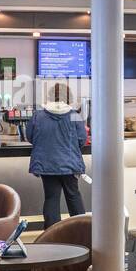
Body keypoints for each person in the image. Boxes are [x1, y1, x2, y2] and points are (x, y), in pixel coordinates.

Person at [28, 83, 88, 227]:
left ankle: (51, 236)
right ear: (68, 97)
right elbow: (82, 139)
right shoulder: (74, 115)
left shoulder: (39, 116)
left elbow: (30, 136)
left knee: (51, 198)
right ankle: (82, 230)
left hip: (46, 164)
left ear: (50, 96)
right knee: (73, 196)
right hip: (70, 164)